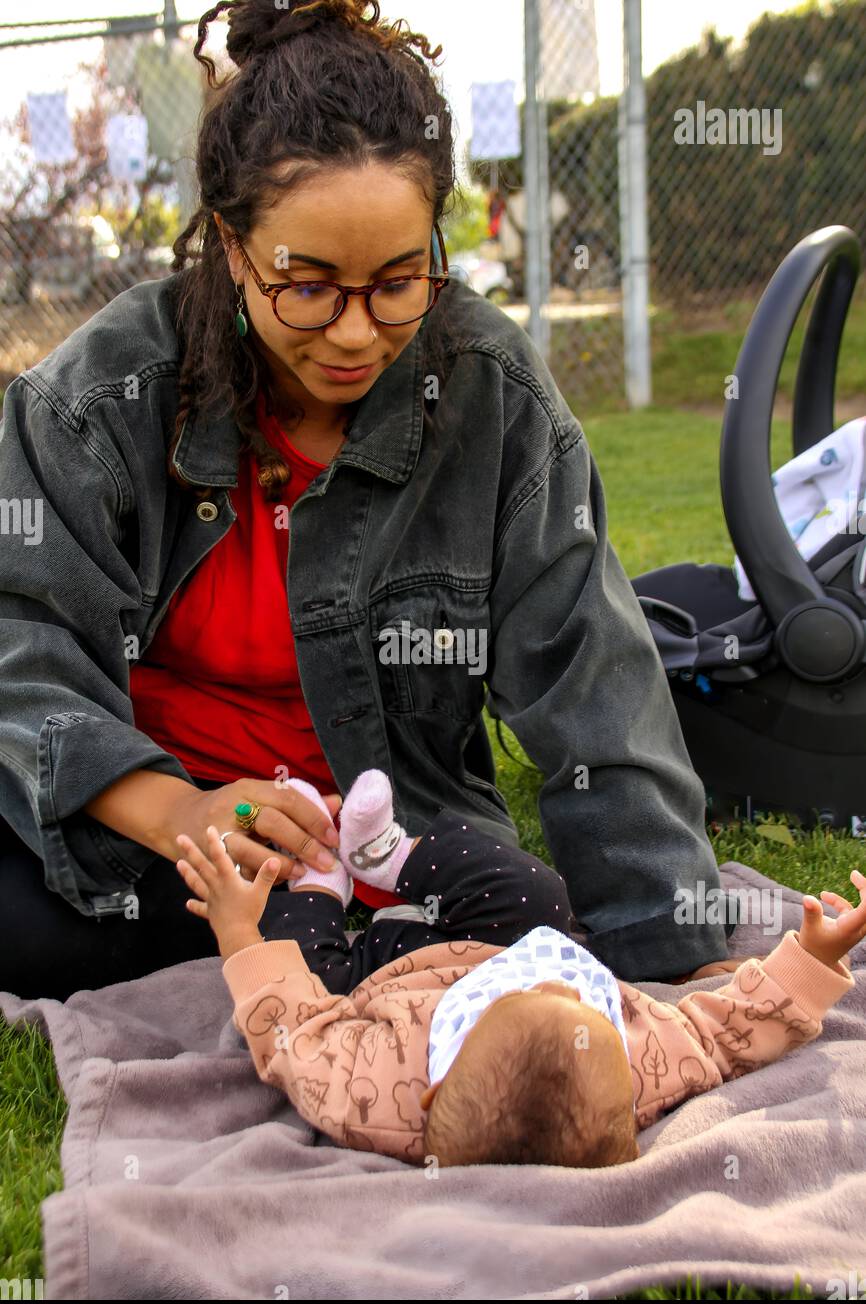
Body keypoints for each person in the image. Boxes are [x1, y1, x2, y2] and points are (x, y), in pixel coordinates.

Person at [0, 0, 733, 1003]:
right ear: (228, 243)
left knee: (534, 934)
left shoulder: (487, 392)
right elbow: (21, 653)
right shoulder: (100, 399)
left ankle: (328, 958)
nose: (354, 334)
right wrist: (187, 812)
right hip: (169, 850)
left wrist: (673, 961)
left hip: (398, 854)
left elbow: (591, 679)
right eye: (306, 286)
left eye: (397, 280)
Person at [175, 767, 861, 1168]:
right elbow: (729, 1031)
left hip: (400, 979)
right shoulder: (645, 1067)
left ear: (429, 1092)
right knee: (541, 902)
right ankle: (388, 854)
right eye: (579, 1002)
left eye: (507, 1001)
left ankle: (322, 875)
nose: (543, 973)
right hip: (499, 938)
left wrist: (238, 931)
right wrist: (815, 958)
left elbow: (294, 1034)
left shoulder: (371, 1092)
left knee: (316, 978)